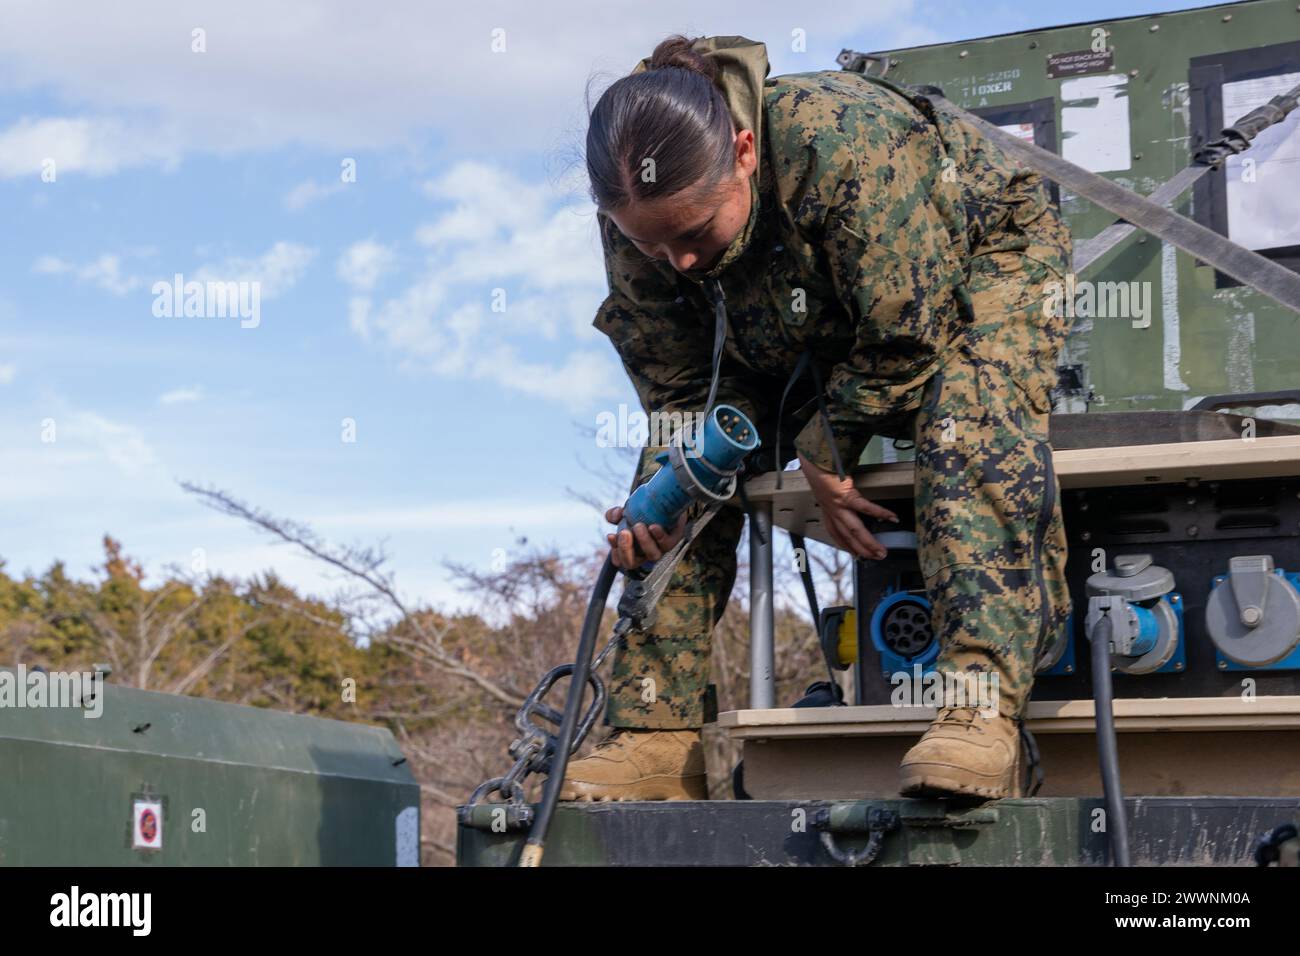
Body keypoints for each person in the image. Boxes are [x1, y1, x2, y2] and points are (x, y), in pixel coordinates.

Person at [560, 34, 1072, 802]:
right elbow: (681, 382)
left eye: (695, 234)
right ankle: (655, 733)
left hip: (975, 267)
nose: (680, 265)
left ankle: (979, 711)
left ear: (742, 151)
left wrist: (823, 452)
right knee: (677, 465)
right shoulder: (641, 215)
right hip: (802, 312)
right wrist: (671, 490)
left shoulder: (841, 139)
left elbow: (908, 333)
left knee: (968, 421)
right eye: (650, 245)